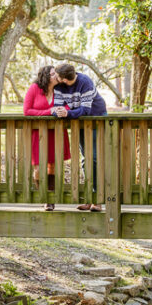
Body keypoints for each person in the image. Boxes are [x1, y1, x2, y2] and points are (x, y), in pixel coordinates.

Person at [51, 63, 107, 212]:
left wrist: (68, 113)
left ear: (64, 79)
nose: (55, 77)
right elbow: (57, 106)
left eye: (57, 76)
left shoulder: (85, 82)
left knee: (94, 158)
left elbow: (86, 110)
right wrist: (58, 111)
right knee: (85, 159)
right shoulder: (59, 86)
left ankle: (98, 200)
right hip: (80, 121)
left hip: (96, 119)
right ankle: (89, 199)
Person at [23, 65, 72, 211]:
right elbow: (27, 111)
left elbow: (69, 106)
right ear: (45, 76)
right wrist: (49, 111)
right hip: (38, 133)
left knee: (53, 165)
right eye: (52, 74)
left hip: (57, 133)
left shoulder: (61, 89)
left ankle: (49, 199)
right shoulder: (34, 88)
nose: (56, 75)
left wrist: (63, 110)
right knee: (38, 166)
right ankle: (43, 194)